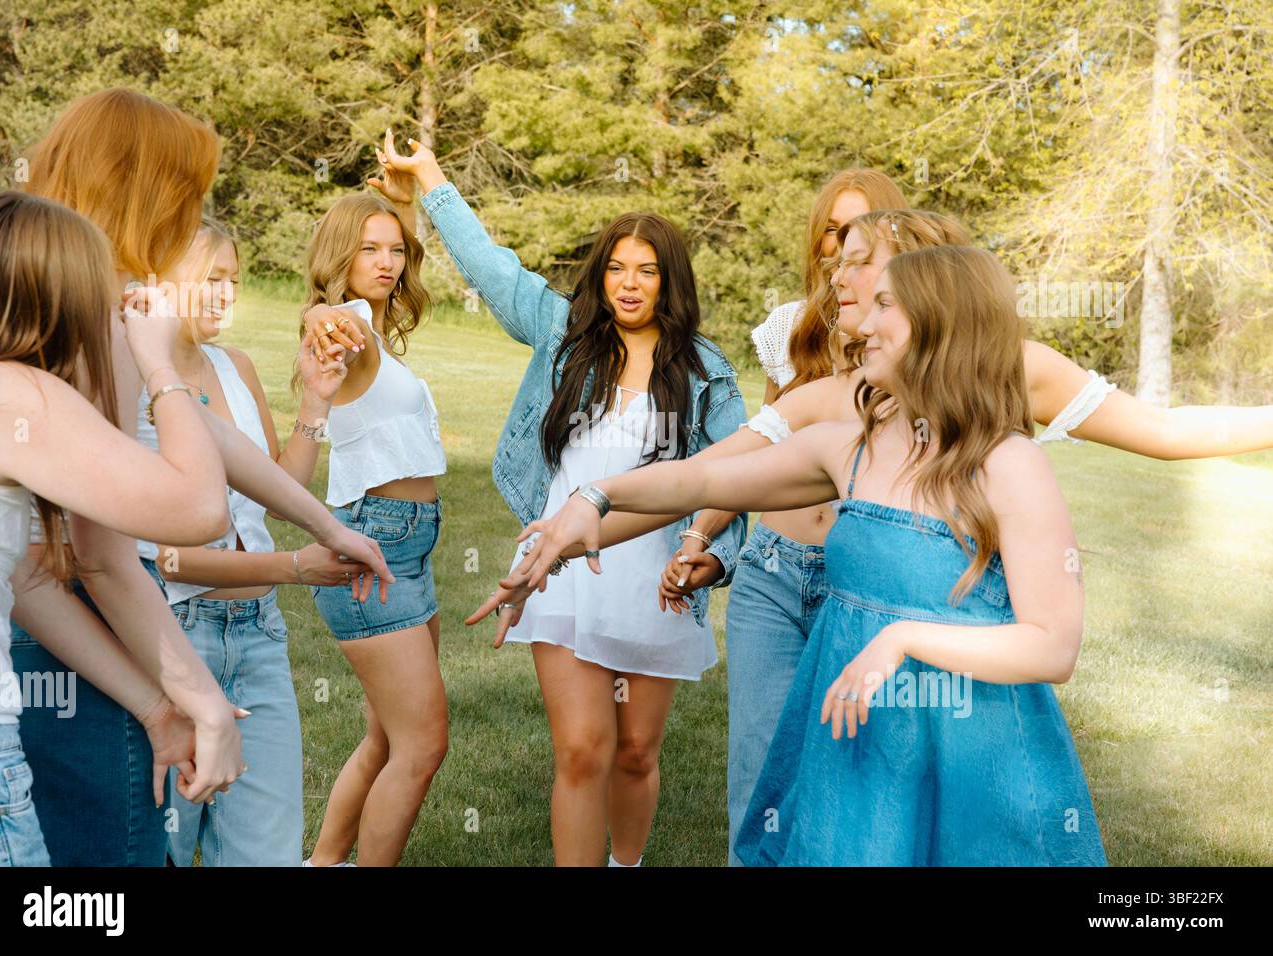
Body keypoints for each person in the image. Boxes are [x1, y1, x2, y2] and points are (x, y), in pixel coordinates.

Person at [513, 243, 1108, 865]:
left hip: (974, 753)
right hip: (857, 745)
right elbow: (700, 481)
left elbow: (1052, 645)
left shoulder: (1010, 464)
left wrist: (906, 638)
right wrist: (594, 497)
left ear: (939, 325)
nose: (865, 325)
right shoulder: (848, 448)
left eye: (886, 306)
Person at [8, 87, 394, 867]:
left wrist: (324, 522)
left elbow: (208, 434)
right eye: (187, 196)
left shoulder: (67, 289)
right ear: (142, 191)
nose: (192, 216)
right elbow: (112, 550)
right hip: (86, 646)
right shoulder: (99, 318)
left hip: (57, 629)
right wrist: (193, 703)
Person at [369, 130, 747, 866]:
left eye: (646, 272)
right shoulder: (564, 336)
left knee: (635, 753)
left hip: (658, 581)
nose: (629, 284)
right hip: (563, 569)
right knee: (581, 751)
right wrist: (432, 181)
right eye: (615, 269)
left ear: (672, 282)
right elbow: (492, 268)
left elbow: (735, 472)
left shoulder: (706, 370)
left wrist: (707, 553)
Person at [0, 190, 234, 864]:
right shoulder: (10, 394)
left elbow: (26, 577)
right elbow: (200, 510)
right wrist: (159, 366)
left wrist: (157, 707)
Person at [136, 219, 375, 866]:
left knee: (265, 854)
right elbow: (163, 557)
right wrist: (297, 566)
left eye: (234, 282)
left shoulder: (233, 365)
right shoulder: (133, 383)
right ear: (160, 279)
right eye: (211, 280)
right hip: (174, 639)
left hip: (259, 636)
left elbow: (275, 487)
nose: (226, 296)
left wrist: (318, 402)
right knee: (161, 848)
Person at [292, 188, 447, 867]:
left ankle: (323, 864)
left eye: (395, 250)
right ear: (341, 255)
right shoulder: (347, 322)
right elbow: (326, 319)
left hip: (408, 544)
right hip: (373, 543)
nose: (385, 262)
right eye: (368, 249)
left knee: (388, 740)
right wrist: (322, 313)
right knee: (423, 744)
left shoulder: (377, 332)